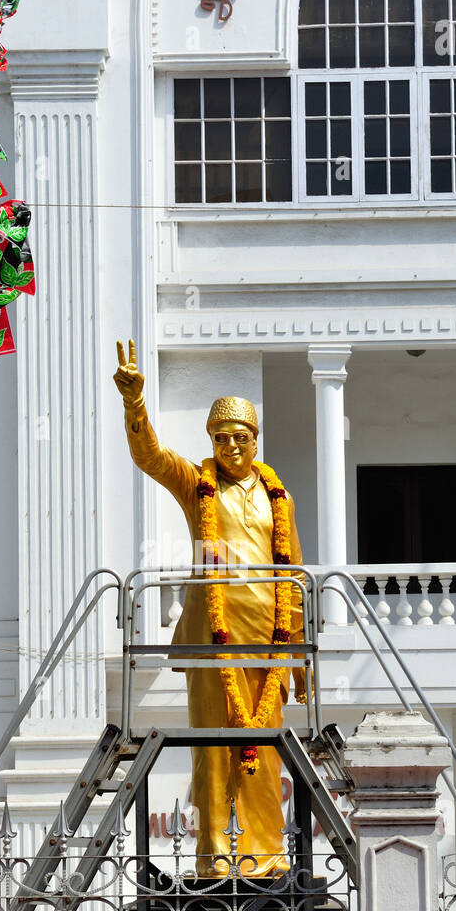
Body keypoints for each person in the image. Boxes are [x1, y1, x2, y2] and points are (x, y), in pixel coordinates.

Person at [114, 338, 307, 878]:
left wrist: (299, 649)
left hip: (266, 643)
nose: (230, 446)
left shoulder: (278, 499)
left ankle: (265, 852)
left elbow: (293, 576)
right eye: (220, 438)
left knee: (263, 749)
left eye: (239, 437)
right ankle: (214, 854)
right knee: (212, 750)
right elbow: (149, 456)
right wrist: (135, 402)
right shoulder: (196, 484)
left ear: (254, 439)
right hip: (210, 639)